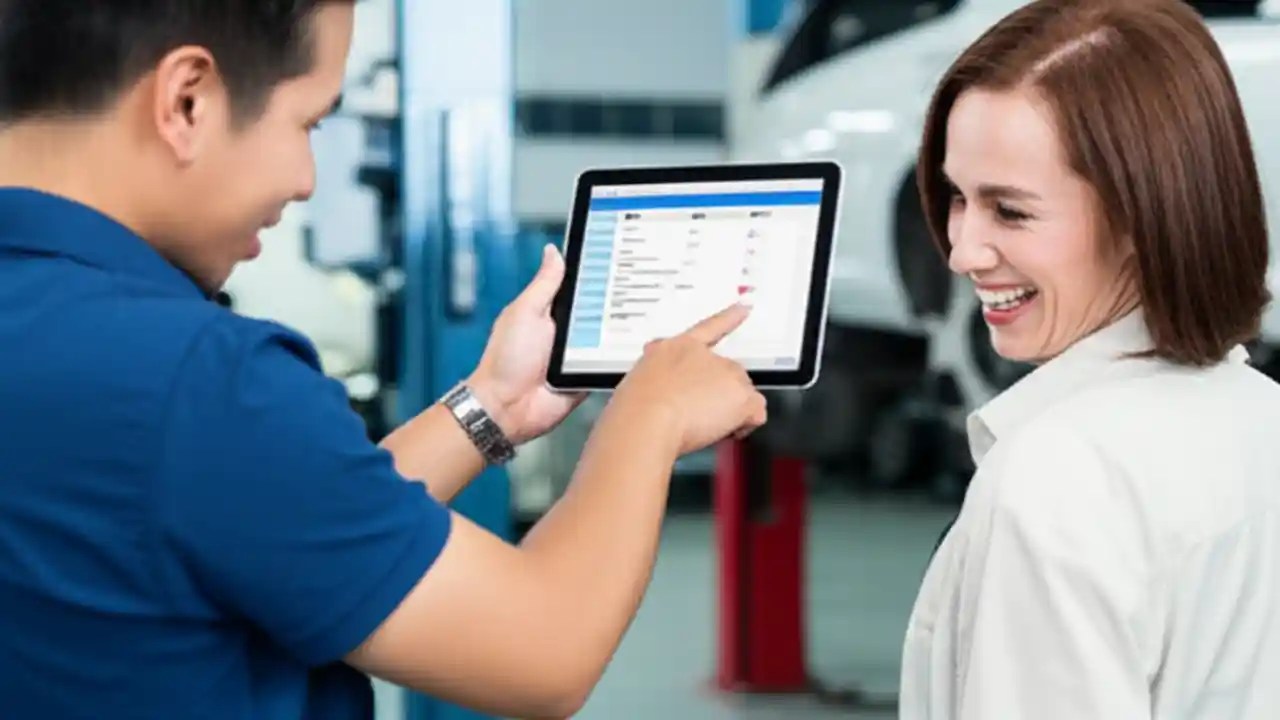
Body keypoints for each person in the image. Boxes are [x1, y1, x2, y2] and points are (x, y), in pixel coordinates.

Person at [0, 2, 767, 719]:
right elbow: (543, 646)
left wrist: (491, 407)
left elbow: (281, 525)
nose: (305, 181)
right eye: (307, 122)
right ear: (187, 100)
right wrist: (649, 414)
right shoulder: (202, 379)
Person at [900, 0, 1280, 717]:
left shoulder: (1057, 478)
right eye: (957, 198)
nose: (962, 252)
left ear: (1145, 212)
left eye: (1011, 211)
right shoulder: (1264, 417)